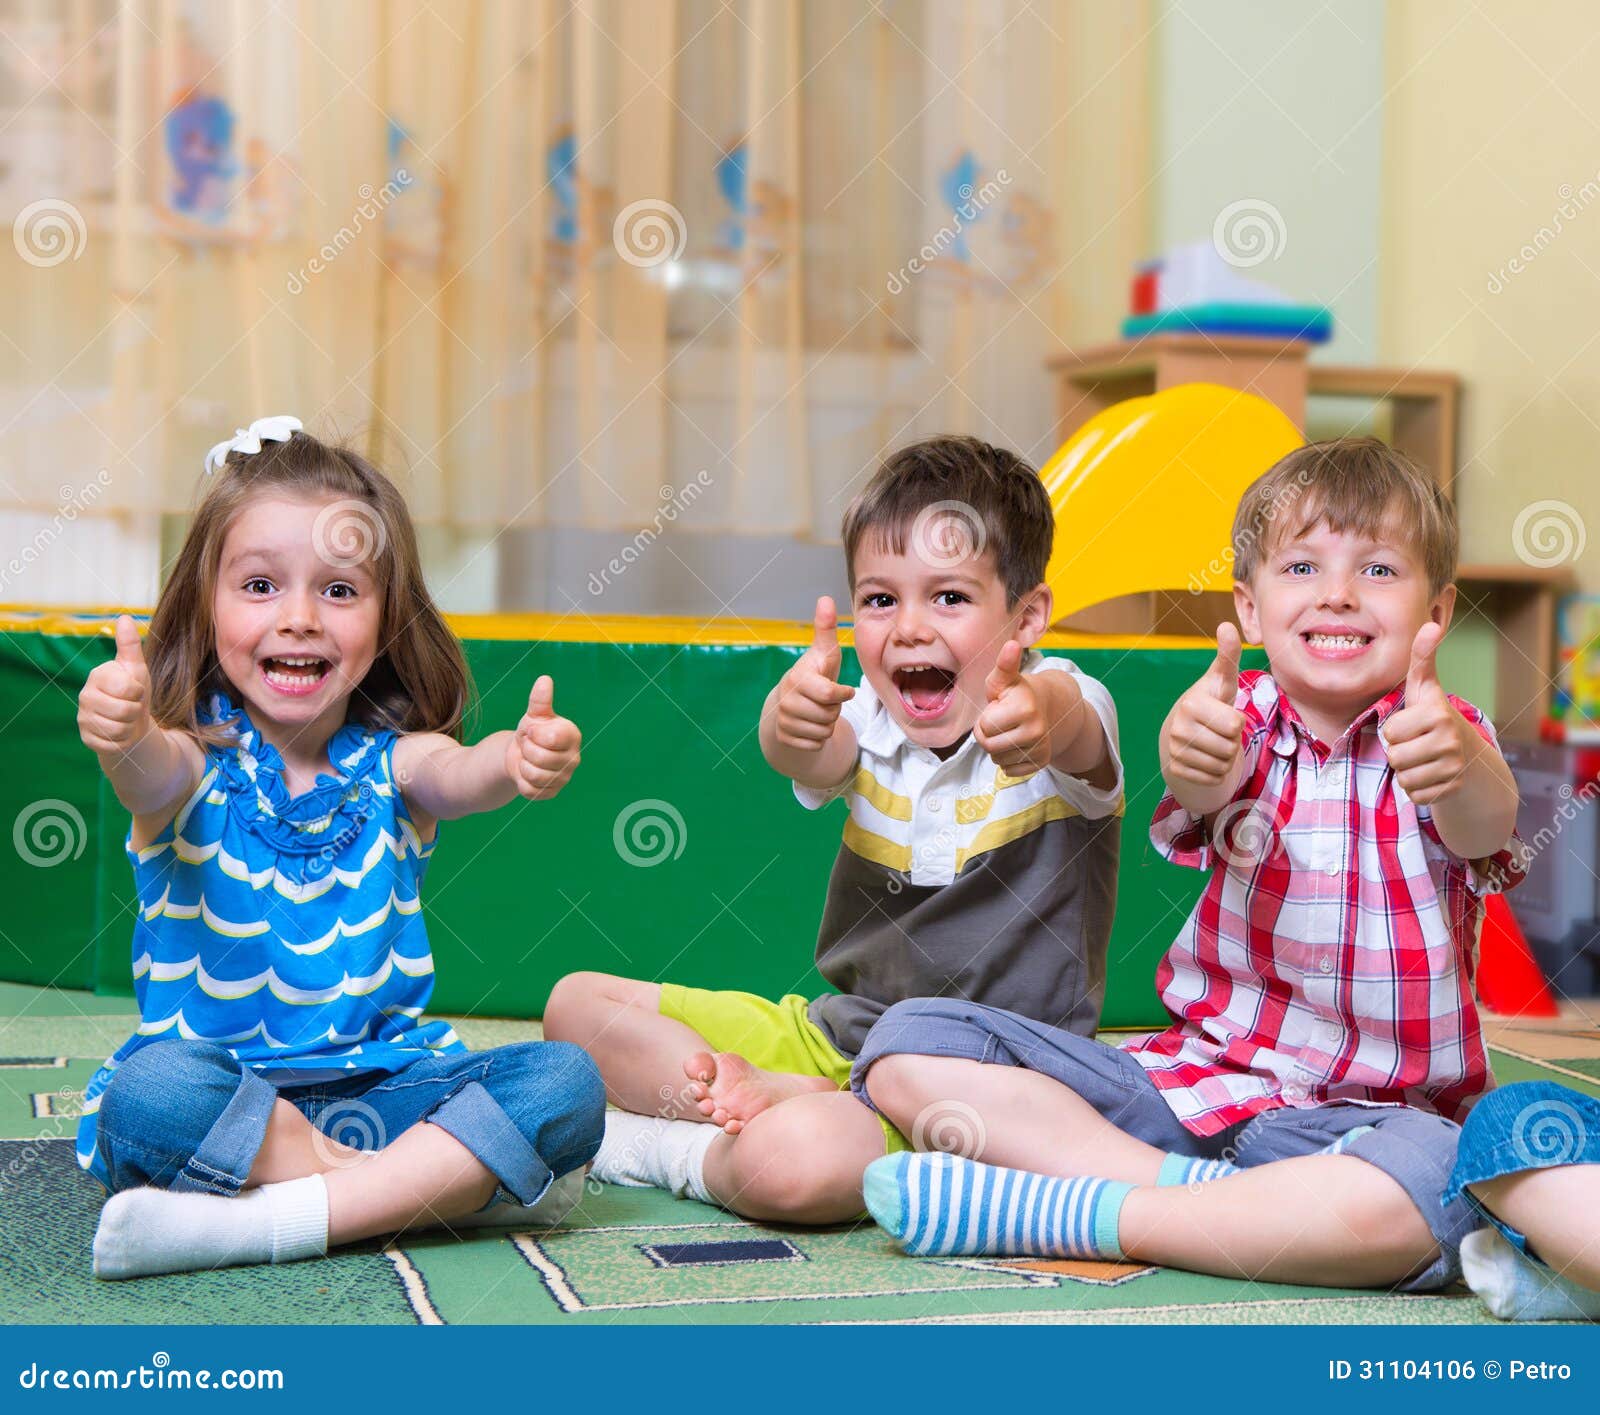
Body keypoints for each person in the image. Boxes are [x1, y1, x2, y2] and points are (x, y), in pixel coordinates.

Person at [855, 437, 1524, 1293]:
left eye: (1380, 571)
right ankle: (1212, 1201)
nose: (1339, 595)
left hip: (1376, 1122)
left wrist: (1460, 764)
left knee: (1443, 1188)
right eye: (1302, 567)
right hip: (1191, 1089)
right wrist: (1192, 757)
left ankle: (1092, 1213)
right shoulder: (1232, 716)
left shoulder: (1446, 731)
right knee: (910, 1043)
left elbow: (1486, 824)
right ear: (1249, 608)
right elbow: (1203, 779)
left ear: (1437, 609)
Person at [544, 435, 1123, 1223]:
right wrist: (789, 718)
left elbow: (1076, 726)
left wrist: (1043, 720)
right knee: (577, 1005)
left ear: (1028, 616)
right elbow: (811, 753)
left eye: (948, 597)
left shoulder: (1064, 704)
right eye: (881, 600)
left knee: (794, 1162)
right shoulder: (868, 719)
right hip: (842, 1030)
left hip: (985, 1081)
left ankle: (668, 1147)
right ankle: (781, 1090)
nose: (909, 628)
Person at [77, 417, 603, 1279]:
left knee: (565, 1082)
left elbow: (463, 772)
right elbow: (143, 768)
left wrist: (514, 760)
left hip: (385, 1090)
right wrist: (122, 729)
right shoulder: (188, 757)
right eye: (258, 584)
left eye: (339, 590)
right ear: (204, 606)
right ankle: (422, 1189)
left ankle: (271, 1219)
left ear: (387, 616)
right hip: (226, 1097)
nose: (299, 618)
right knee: (150, 1097)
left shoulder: (395, 762)